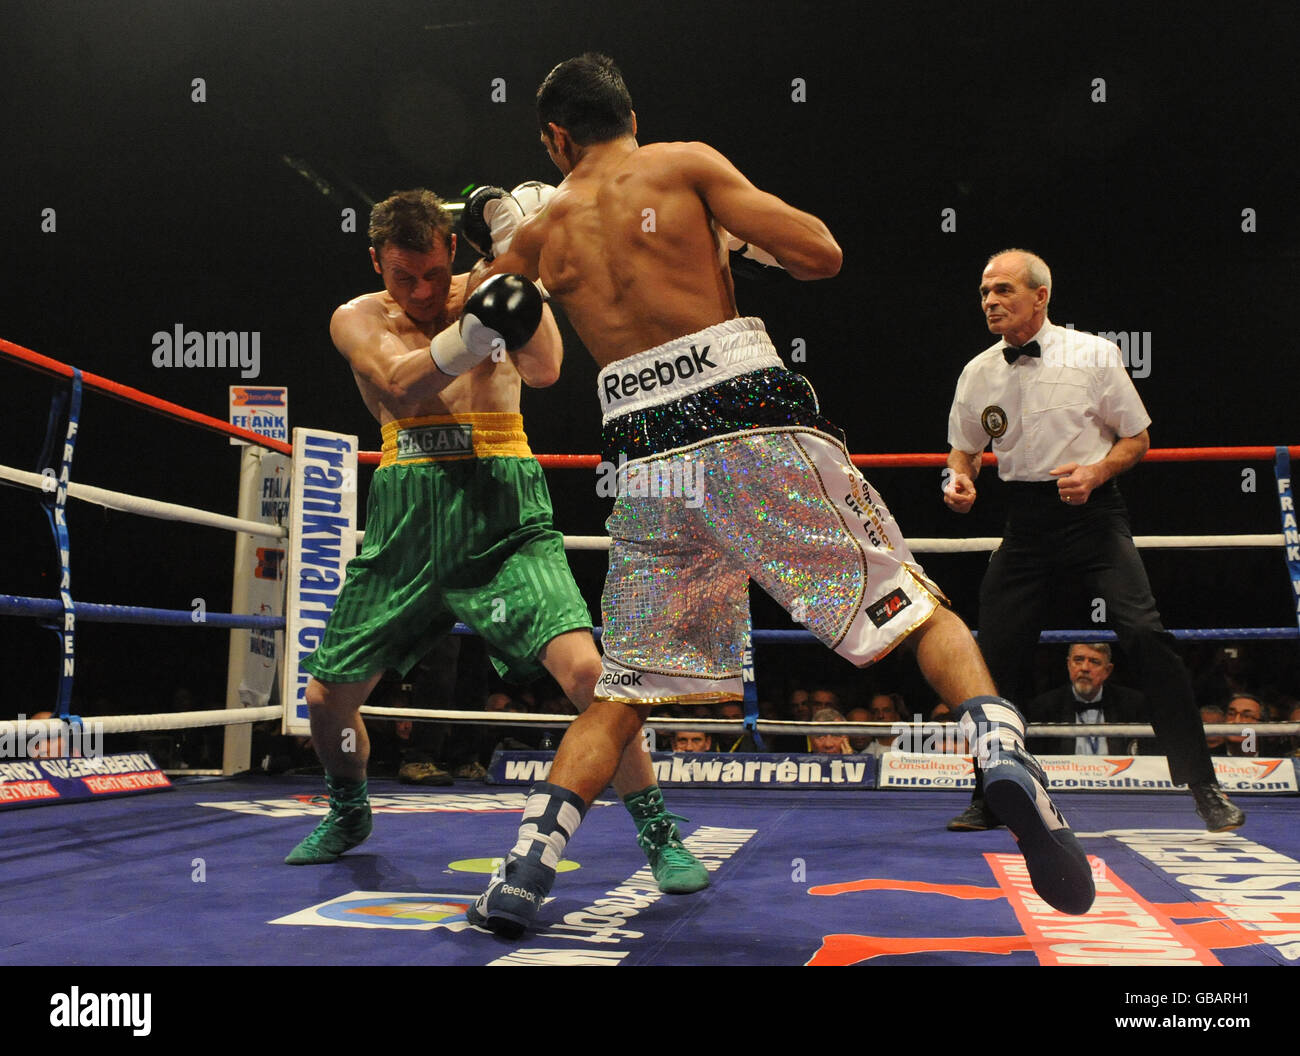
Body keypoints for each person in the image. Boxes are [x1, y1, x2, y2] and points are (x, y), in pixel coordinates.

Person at [467, 54, 1095, 936]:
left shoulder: (543, 235)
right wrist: (733, 238)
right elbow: (820, 253)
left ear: (556, 137)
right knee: (909, 604)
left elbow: (473, 313)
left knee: (626, 685)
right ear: (630, 115)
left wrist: (504, 227)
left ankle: (526, 867)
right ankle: (1001, 751)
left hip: (648, 461)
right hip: (748, 423)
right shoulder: (684, 164)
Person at [284, 189, 708, 895]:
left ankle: (659, 831)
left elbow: (544, 369)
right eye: (400, 276)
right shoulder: (357, 315)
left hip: (503, 508)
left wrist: (511, 295)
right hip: (405, 514)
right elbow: (395, 377)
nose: (418, 292)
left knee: (587, 675)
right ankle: (349, 809)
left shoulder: (489, 286)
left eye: (428, 272)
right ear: (375, 263)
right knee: (328, 698)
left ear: (451, 249)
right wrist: (475, 333)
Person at [942, 249, 1244, 833]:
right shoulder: (978, 371)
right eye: (984, 293)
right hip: (1024, 522)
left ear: (1040, 296)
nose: (990, 302)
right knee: (994, 652)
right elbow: (963, 448)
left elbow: (1138, 439)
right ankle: (992, 792)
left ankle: (1204, 786)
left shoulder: (1095, 354)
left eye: (1003, 290)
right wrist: (958, 479)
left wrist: (1097, 472)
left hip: (1093, 515)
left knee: (1145, 635)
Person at [1023, 643, 1144, 757]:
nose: (1085, 668)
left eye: (1094, 662)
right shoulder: (1045, 706)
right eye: (1078, 660)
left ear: (1107, 671)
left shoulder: (1131, 704)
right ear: (1069, 665)